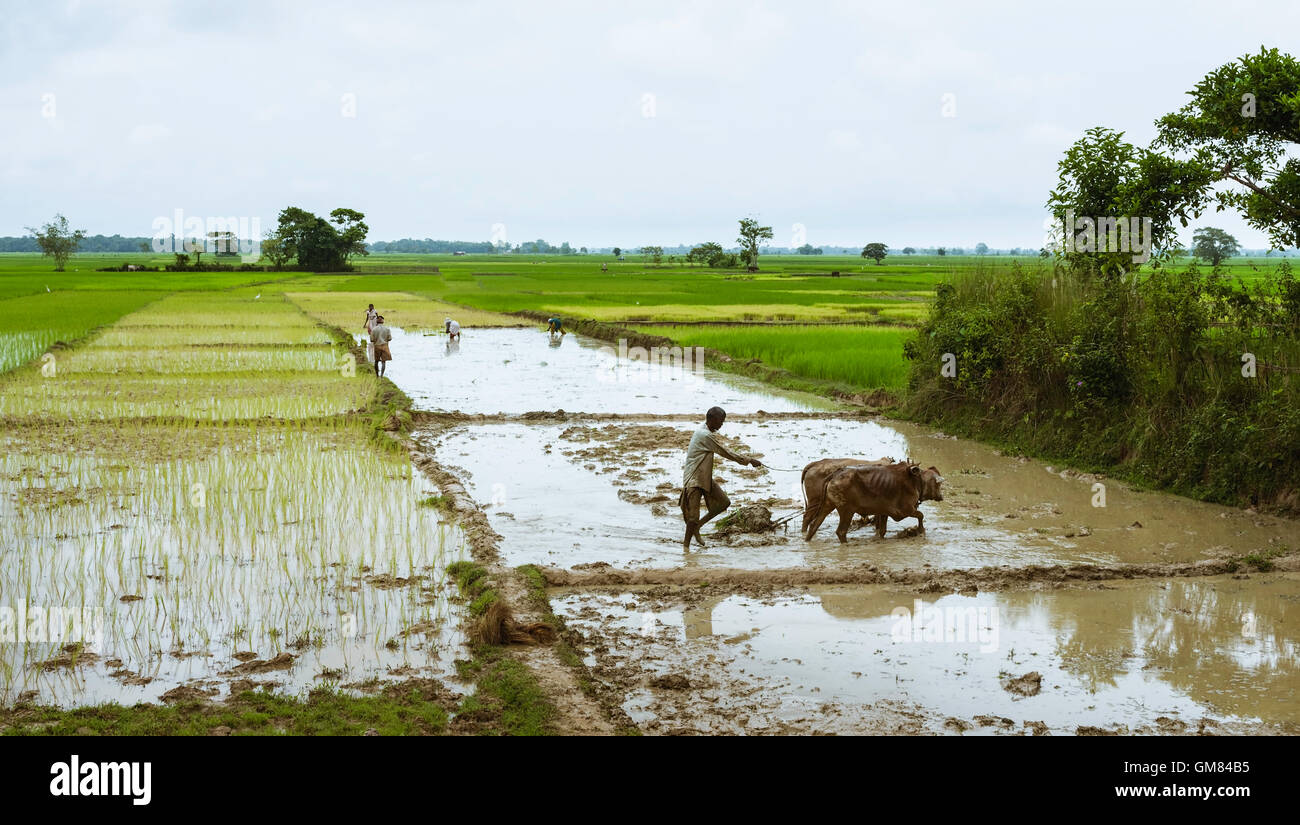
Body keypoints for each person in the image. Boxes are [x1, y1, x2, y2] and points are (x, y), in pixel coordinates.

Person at [679, 406, 761, 550]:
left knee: (724, 502)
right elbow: (725, 452)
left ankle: (698, 527)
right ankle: (686, 548)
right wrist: (748, 460)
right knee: (692, 517)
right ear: (712, 419)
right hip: (693, 478)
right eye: (721, 421)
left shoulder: (704, 430)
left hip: (703, 476)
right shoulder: (704, 435)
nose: (722, 424)